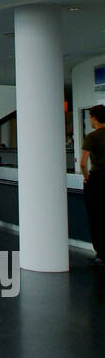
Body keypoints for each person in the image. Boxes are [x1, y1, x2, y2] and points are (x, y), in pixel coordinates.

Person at [81, 105, 105, 263]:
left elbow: (83, 163)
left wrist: (86, 177)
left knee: (96, 217)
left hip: (97, 179)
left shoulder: (91, 137)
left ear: (94, 117)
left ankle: (101, 254)